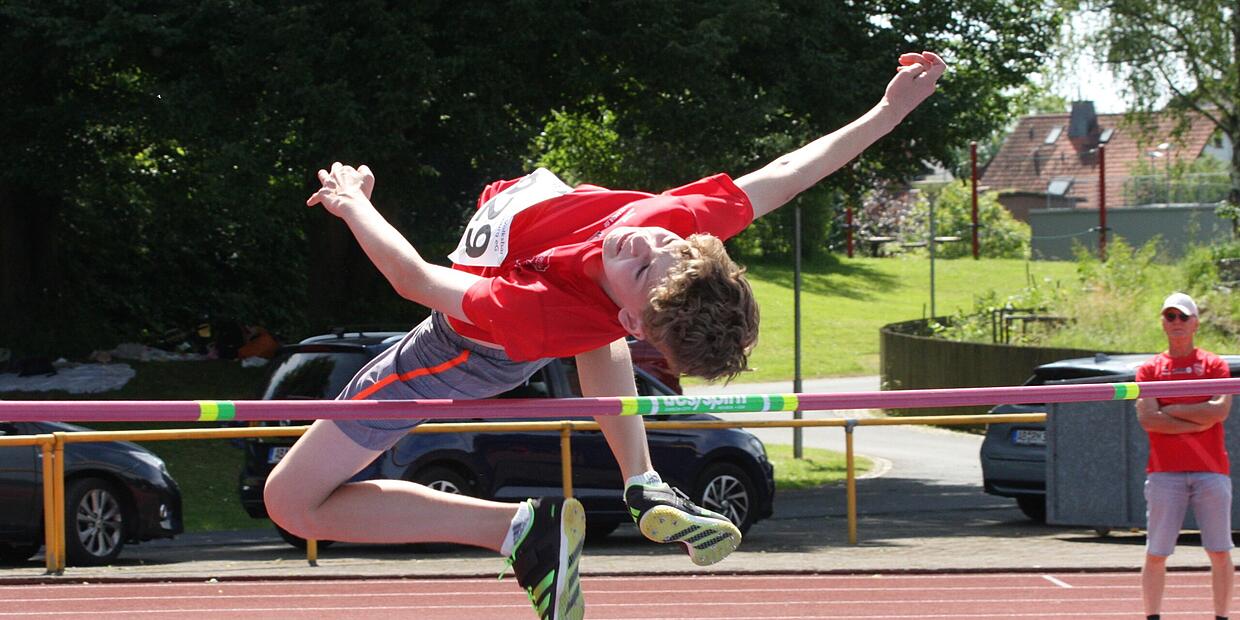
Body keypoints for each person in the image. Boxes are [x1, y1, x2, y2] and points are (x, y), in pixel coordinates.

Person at [264, 51, 947, 620]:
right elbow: (790, 175)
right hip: (566, 302)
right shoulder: (677, 230)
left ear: (632, 312)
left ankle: (511, 529)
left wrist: (353, 202)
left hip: (462, 350)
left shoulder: (532, 310)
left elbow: (415, 278)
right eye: (661, 244)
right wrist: (890, 110)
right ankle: (642, 478)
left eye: (641, 264)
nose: (636, 238)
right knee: (592, 329)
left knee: (291, 502)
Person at [1135, 292, 1234, 620]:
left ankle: (1221, 615)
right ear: (1163, 322)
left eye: (1182, 317)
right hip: (1164, 472)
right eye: (1170, 316)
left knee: (1220, 550)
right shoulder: (1150, 369)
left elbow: (1219, 411)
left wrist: (1173, 409)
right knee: (1156, 552)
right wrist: (1196, 417)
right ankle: (1152, 616)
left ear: (1195, 323)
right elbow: (1149, 419)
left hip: (1211, 471)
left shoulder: (1214, 364)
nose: (1176, 323)